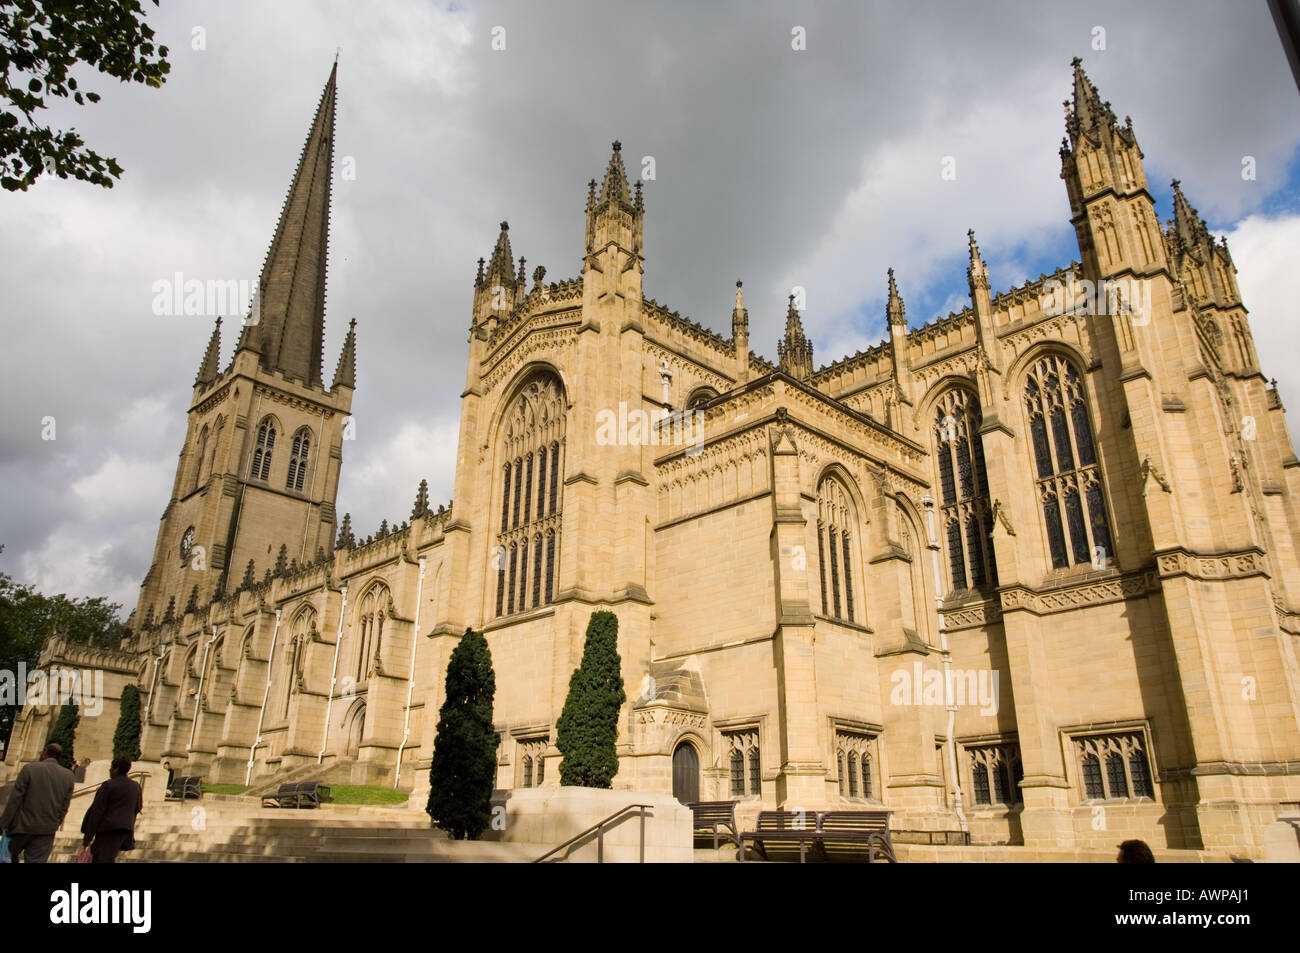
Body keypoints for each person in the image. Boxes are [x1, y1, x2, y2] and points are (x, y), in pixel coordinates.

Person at [0, 742, 76, 863]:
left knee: (8, 857)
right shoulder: (69, 776)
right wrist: (57, 822)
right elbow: (65, 805)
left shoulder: (29, 769)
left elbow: (15, 799)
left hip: (22, 826)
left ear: (45, 753)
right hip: (47, 829)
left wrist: (5, 822)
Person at [80, 756, 143, 864]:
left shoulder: (108, 785)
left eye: (111, 768)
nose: (109, 770)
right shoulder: (135, 786)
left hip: (107, 829)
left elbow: (97, 812)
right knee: (105, 857)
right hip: (124, 829)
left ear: (116, 769)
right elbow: (138, 807)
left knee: (102, 858)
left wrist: (88, 837)